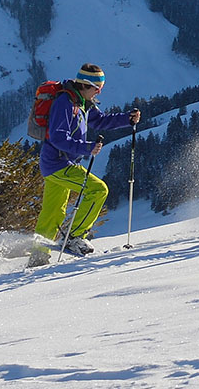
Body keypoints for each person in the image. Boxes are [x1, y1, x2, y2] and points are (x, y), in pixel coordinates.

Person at [34, 62, 141, 257]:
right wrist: (86, 148)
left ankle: (38, 256)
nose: (99, 92)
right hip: (58, 163)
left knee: (53, 213)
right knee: (98, 190)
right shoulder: (65, 103)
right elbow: (58, 137)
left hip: (58, 163)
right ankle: (75, 236)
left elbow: (100, 121)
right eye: (96, 88)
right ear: (84, 84)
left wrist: (127, 119)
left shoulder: (80, 101)